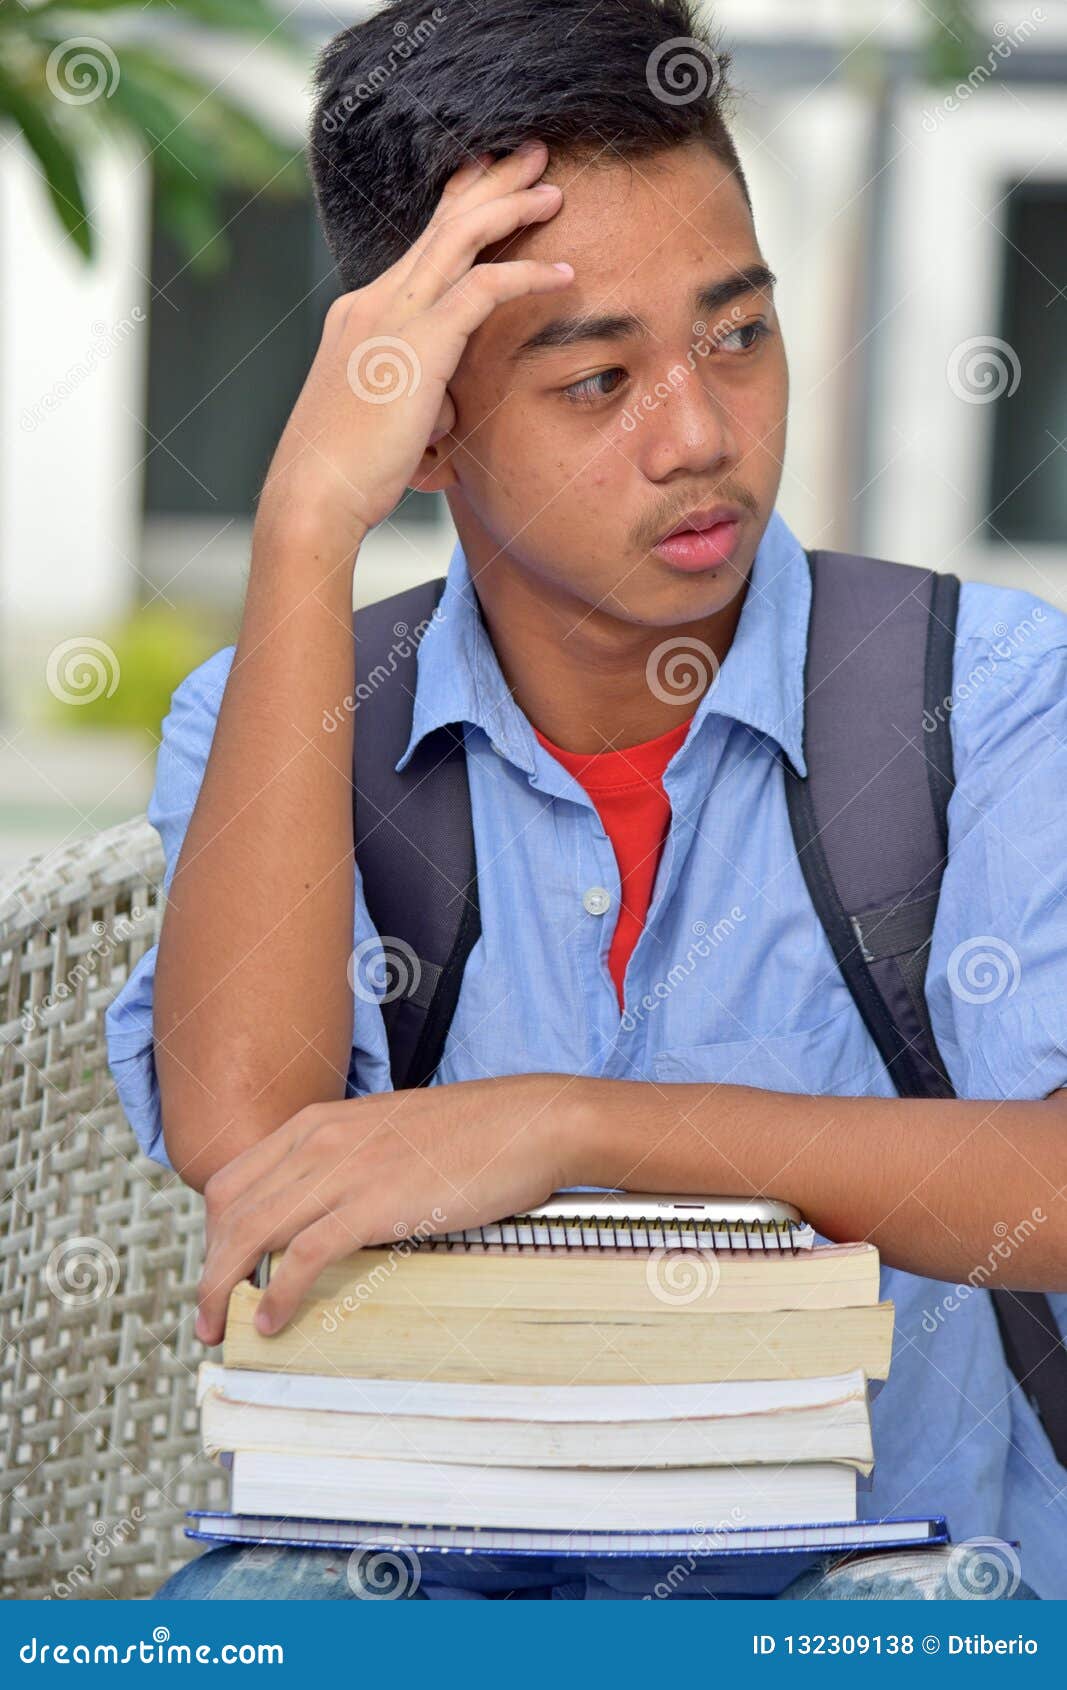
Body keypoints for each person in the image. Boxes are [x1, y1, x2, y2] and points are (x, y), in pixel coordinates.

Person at [106, 0, 1066, 1600]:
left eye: (736, 335)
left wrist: (565, 1124)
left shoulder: (990, 690)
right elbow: (253, 1146)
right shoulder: (282, 712)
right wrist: (301, 529)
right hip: (424, 1593)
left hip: (887, 1591)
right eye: (595, 379)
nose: (698, 436)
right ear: (423, 422)